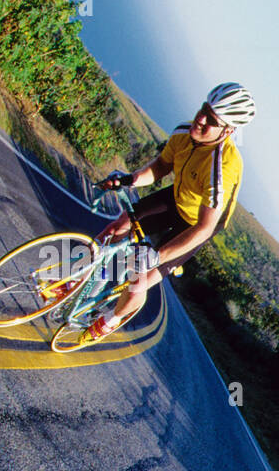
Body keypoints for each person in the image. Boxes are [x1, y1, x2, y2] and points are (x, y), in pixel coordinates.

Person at [85, 82, 256, 341]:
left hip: (196, 225)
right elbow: (162, 166)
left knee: (138, 282)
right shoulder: (184, 132)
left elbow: (205, 228)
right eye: (203, 109)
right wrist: (129, 180)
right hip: (176, 198)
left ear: (228, 131)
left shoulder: (222, 169)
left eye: (211, 119)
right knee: (115, 230)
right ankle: (79, 281)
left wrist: (158, 255)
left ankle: (111, 320)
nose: (200, 119)